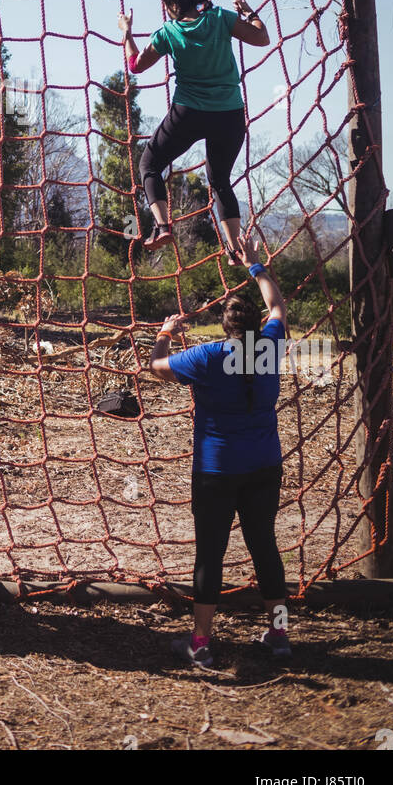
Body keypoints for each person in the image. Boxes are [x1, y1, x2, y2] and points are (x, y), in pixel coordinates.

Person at [148, 231, 291, 665]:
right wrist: (253, 264)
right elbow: (278, 306)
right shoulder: (269, 347)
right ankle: (280, 634)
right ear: (254, 326)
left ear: (225, 329)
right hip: (265, 466)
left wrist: (165, 333)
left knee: (210, 553)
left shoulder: (208, 357)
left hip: (216, 470)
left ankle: (201, 642)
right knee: (265, 547)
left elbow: (155, 368)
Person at [119, 0, 269, 259]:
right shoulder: (221, 18)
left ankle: (162, 226)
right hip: (230, 114)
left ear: (174, 7)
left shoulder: (168, 32)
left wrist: (127, 33)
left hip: (188, 113)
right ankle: (236, 251)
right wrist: (250, 12)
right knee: (220, 180)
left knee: (149, 164)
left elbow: (135, 65)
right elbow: (262, 38)